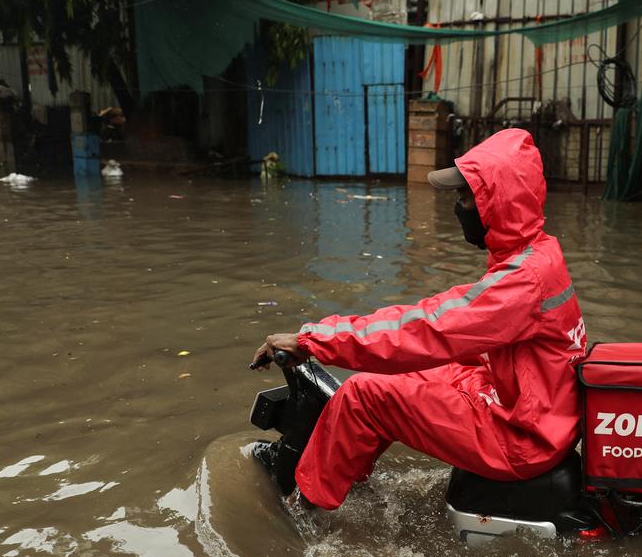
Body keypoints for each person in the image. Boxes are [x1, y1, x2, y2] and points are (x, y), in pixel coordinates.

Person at [250, 129, 587, 510]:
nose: (458, 208)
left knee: (365, 395)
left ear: (498, 202)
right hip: (535, 410)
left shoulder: (523, 280)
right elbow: (444, 330)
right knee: (394, 375)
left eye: (464, 197)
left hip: (524, 437)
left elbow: (427, 326)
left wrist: (313, 340)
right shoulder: (537, 254)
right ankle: (343, 475)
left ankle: (303, 509)